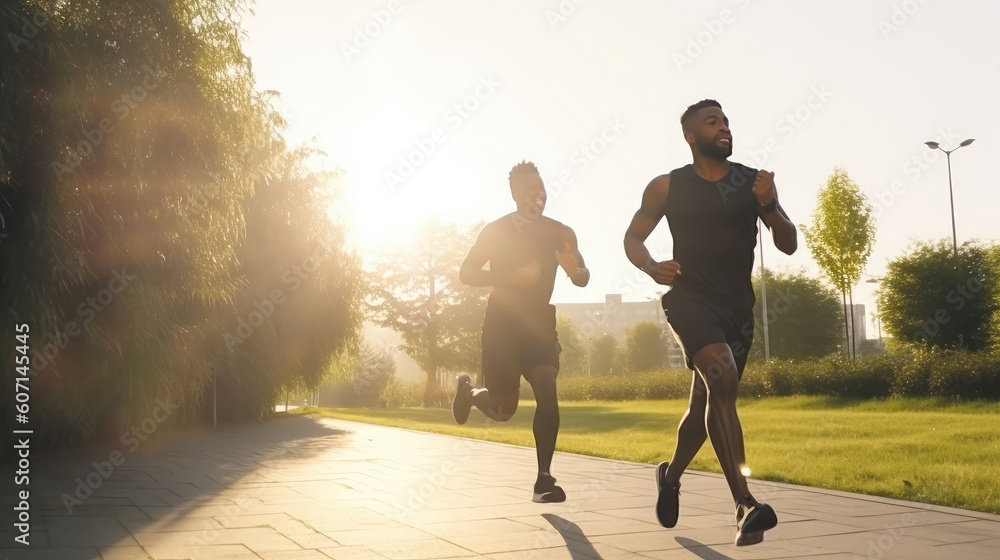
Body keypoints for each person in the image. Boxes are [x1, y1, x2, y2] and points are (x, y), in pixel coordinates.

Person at [623, 99, 797, 546]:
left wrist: (770, 206)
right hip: (689, 299)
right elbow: (633, 238)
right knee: (720, 376)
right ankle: (744, 504)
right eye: (712, 122)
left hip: (737, 309)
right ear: (690, 135)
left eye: (725, 121)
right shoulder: (667, 187)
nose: (723, 128)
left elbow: (789, 242)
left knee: (705, 408)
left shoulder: (751, 181)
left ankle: (671, 476)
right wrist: (649, 266)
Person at [453, 160, 590, 503]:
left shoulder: (561, 232)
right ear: (515, 193)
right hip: (502, 326)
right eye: (529, 187)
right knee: (503, 410)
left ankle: (544, 480)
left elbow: (583, 277)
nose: (537, 192)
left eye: (540, 185)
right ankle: (470, 394)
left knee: (546, 387)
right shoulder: (496, 231)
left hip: (540, 324)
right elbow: (466, 273)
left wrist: (576, 271)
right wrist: (506, 278)